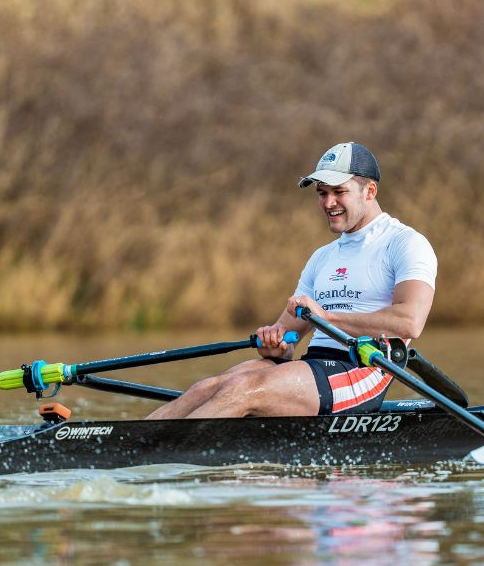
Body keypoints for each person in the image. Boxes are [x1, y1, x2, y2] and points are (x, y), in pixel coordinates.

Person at [147, 142, 437, 419]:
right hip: (315, 367)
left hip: (363, 369)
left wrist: (328, 317)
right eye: (322, 193)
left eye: (339, 191)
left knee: (241, 390)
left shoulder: (405, 243)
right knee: (205, 389)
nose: (328, 203)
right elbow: (286, 339)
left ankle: (158, 460)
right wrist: (275, 342)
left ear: (369, 191)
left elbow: (409, 322)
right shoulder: (322, 257)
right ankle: (122, 449)